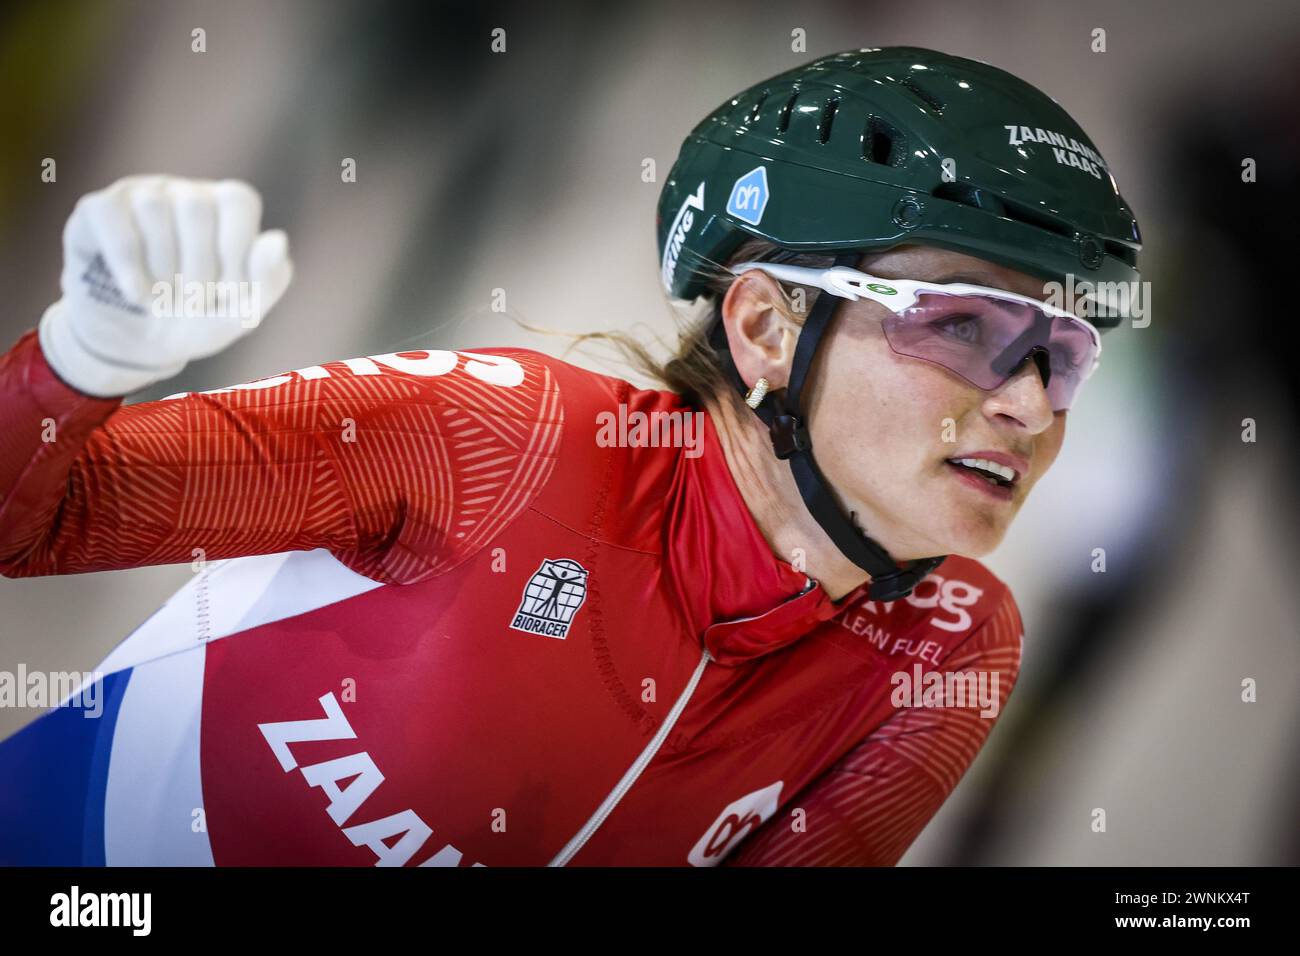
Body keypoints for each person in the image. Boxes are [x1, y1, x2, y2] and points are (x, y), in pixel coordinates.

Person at [0, 46, 1141, 866]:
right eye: (963, 325)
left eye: (1062, 350)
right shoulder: (497, 440)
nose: (1031, 404)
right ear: (762, 327)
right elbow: (25, 525)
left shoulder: (946, 649)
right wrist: (80, 359)